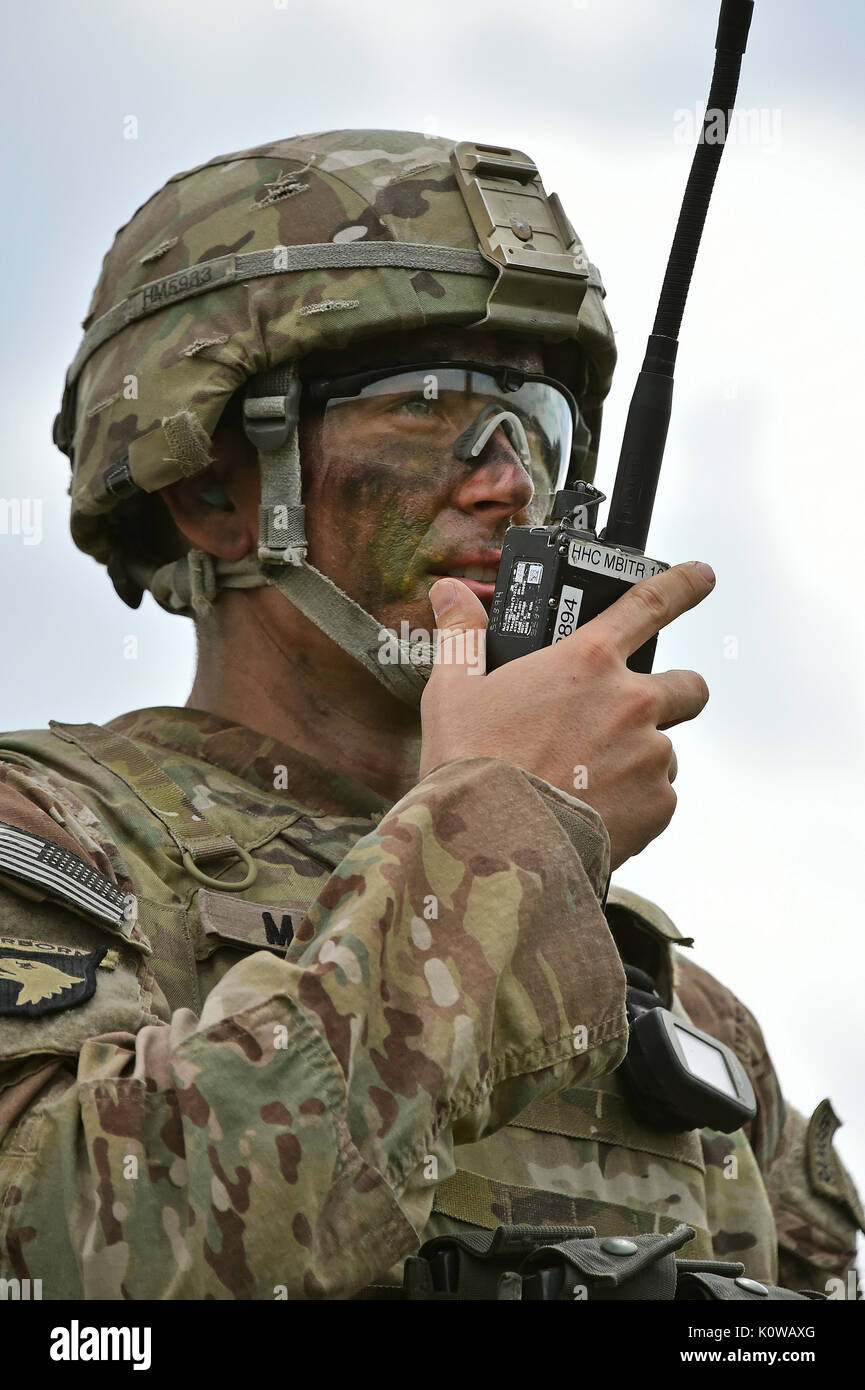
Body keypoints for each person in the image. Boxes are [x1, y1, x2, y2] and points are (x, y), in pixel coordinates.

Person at [0, 130, 859, 1300]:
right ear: (212, 489)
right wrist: (502, 830)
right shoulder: (54, 843)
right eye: (425, 404)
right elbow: (70, 1263)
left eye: (530, 417)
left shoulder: (667, 997)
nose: (508, 476)